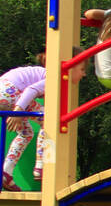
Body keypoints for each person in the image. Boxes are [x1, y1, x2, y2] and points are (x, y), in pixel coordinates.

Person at [1, 55, 86, 189]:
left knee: (26, 133)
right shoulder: (54, 76)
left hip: (5, 92)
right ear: (71, 69)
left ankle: (6, 172)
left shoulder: (46, 76)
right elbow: (31, 90)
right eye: (82, 69)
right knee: (49, 120)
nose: (84, 74)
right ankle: (42, 166)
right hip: (11, 91)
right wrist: (18, 111)